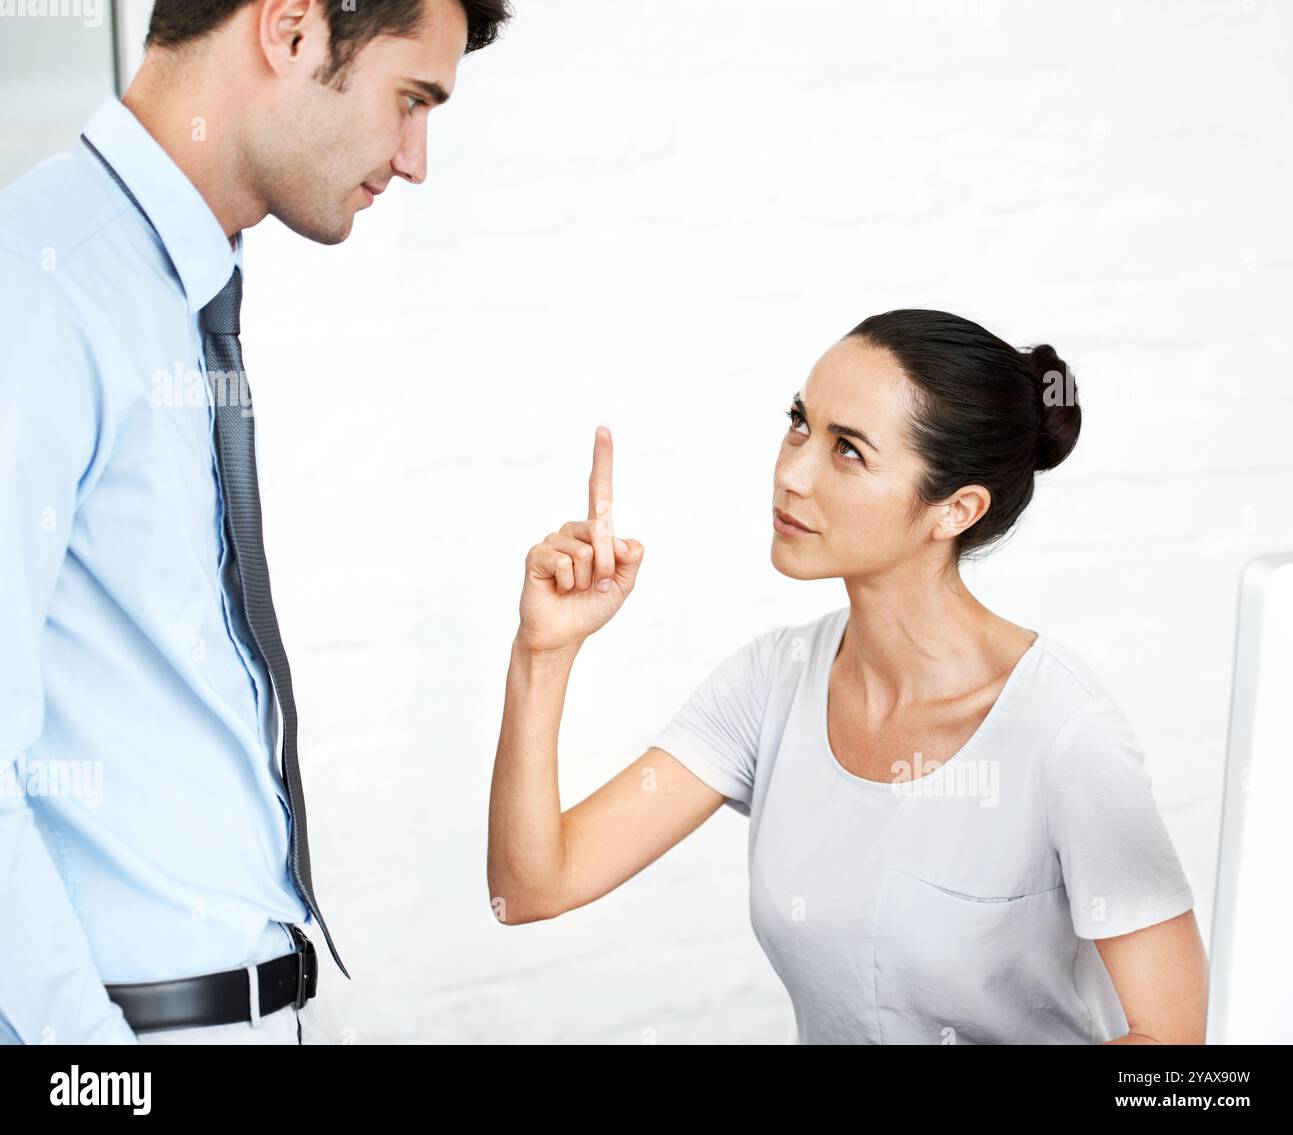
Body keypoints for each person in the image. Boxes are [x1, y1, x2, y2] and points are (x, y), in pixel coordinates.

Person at [0, 0, 512, 1045]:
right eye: (409, 99)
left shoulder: (162, 284)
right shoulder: (41, 285)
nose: (414, 160)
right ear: (290, 30)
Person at [487, 308, 1208, 1044]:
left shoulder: (1063, 731)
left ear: (954, 508)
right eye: (800, 422)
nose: (791, 472)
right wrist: (542, 653)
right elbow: (532, 888)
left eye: (848, 451)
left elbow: (1177, 1059)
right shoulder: (773, 682)